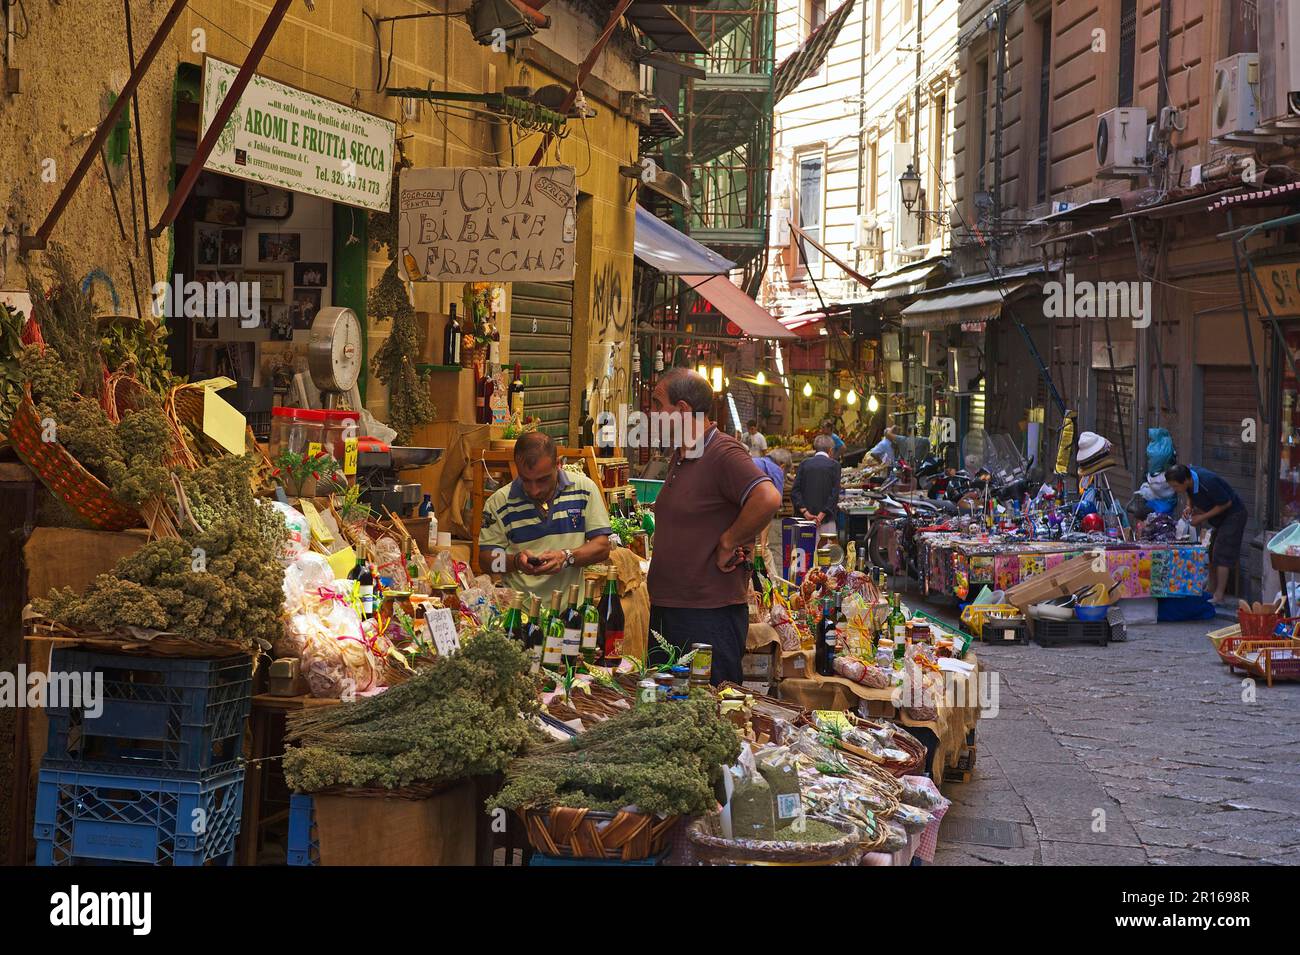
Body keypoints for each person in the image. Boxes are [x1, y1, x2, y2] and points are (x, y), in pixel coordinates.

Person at [647, 369, 783, 684]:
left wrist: (729, 541)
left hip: (706, 617)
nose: (651, 413)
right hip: (672, 610)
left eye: (657, 404)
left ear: (681, 410)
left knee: (706, 712)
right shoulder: (682, 454)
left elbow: (767, 497)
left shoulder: (722, 451)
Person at [478, 432, 612, 600]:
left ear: (558, 464)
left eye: (542, 480)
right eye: (526, 480)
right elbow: (486, 561)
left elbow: (602, 547)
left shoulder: (585, 490)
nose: (534, 490)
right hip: (519, 616)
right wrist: (516, 562)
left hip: (569, 614)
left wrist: (567, 557)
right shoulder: (498, 503)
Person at [1163, 463, 1247, 605]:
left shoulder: (1208, 481)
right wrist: (1189, 506)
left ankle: (1219, 595)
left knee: (1222, 554)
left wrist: (1202, 517)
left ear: (1186, 480)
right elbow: (1190, 493)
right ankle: (1211, 589)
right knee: (1212, 552)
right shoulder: (1190, 477)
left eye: (1176, 486)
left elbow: (1226, 503)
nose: (1175, 490)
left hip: (1234, 515)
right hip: (1220, 518)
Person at [792, 434, 841, 538]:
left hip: (804, 519)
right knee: (825, 551)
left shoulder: (804, 464)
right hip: (826, 520)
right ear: (831, 450)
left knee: (804, 551)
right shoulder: (834, 465)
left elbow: (795, 491)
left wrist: (805, 512)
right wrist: (821, 515)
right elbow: (834, 493)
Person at [756, 447, 791, 572]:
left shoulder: (757, 461)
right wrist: (763, 541)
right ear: (782, 466)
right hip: (752, 514)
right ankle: (772, 586)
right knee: (763, 552)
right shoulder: (776, 470)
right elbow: (771, 509)